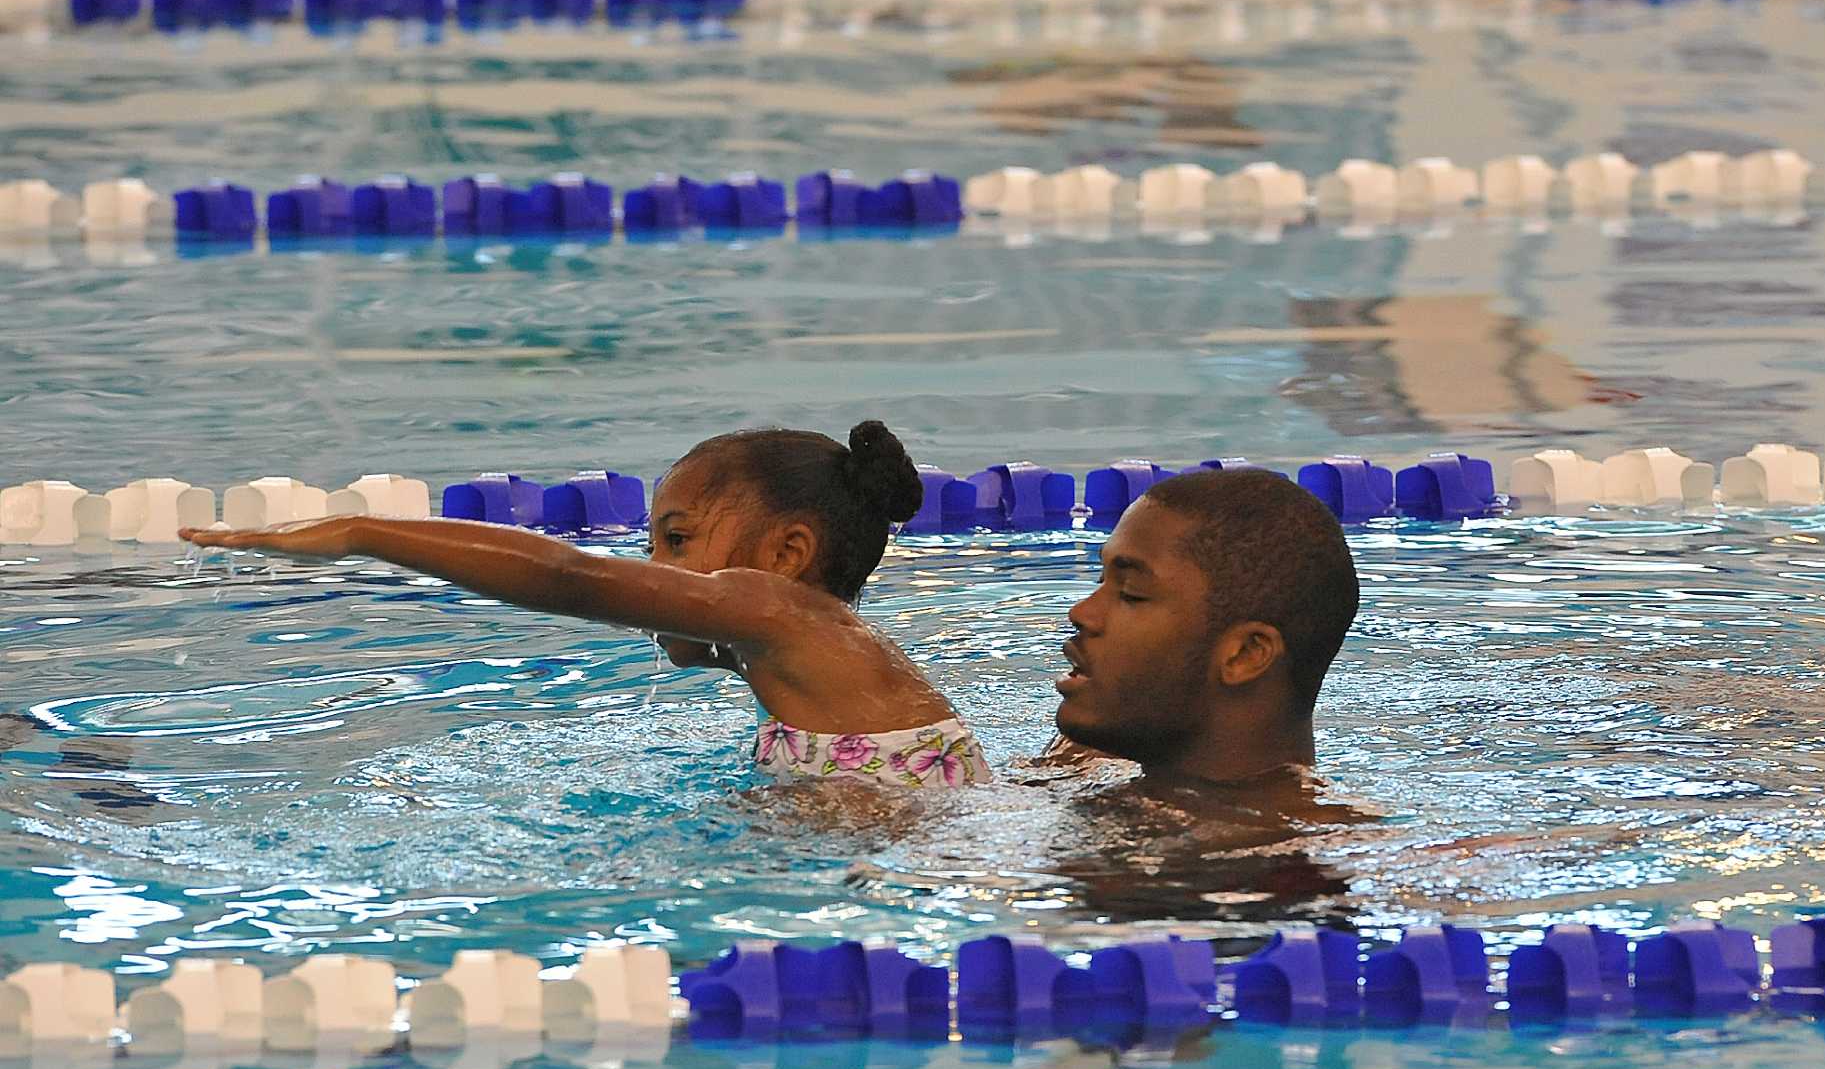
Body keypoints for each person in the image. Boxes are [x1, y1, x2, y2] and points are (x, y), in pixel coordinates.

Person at [180, 422, 993, 789]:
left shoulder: (776, 610)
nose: (654, 572)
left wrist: (362, 531)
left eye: (676, 541)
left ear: (787, 555)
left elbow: (572, 577)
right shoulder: (825, 652)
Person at [1043, 467, 1360, 793]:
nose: (1081, 613)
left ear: (1245, 655)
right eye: (1101, 581)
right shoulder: (1088, 765)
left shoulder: (1316, 840)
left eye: (1131, 593)